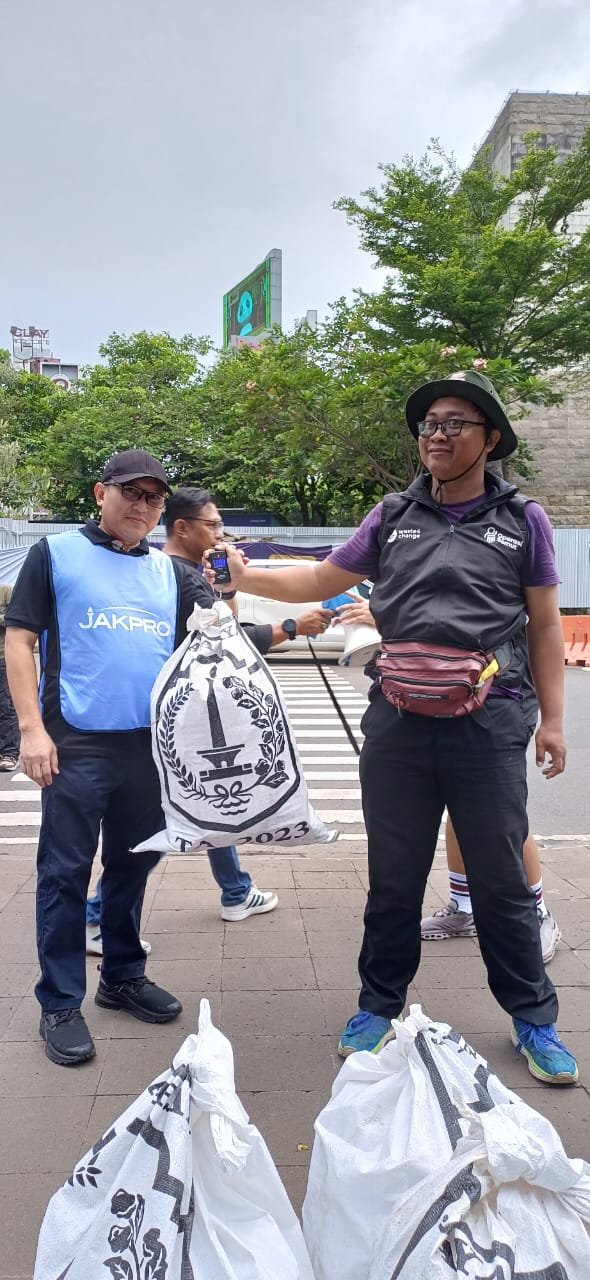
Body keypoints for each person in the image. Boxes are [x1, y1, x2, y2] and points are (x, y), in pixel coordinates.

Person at [212, 370, 577, 1086]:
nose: (436, 436)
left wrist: (554, 721)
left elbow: (542, 623)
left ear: (489, 439)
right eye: (428, 425)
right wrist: (240, 573)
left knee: (500, 881)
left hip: (490, 721)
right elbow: (321, 579)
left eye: (453, 424)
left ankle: (534, 1018)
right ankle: (377, 1005)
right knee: (394, 875)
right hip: (400, 721)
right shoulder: (393, 513)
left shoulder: (521, 519)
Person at [5, 450, 214, 1067]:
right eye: (132, 494)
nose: (143, 506)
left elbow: (208, 643)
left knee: (133, 865)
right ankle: (60, 1001)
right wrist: (31, 731)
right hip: (75, 742)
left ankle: (122, 975)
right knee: (65, 873)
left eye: (154, 498)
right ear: (102, 493)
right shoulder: (56, 554)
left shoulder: (165, 572)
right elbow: (17, 640)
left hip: (146, 745)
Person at [337, 599, 562, 965]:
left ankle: (536, 911)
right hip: (422, 693)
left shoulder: (516, 540)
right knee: (457, 806)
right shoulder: (399, 541)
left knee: (499, 818)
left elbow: (494, 612)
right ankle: (463, 904)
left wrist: (393, 612)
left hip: (492, 691)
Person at [0, 583, 20, 770]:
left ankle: (9, 753)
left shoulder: (6, 590)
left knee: (6, 706)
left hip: (3, 658)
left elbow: (15, 619)